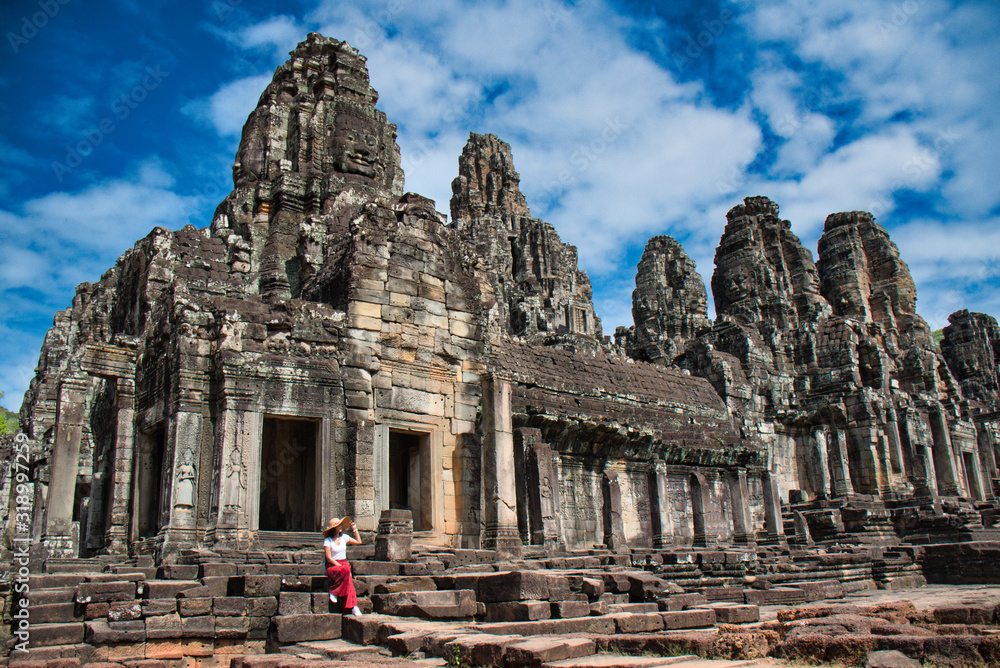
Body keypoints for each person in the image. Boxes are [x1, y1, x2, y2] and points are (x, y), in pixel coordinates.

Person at [323, 517, 362, 616]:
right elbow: (329, 558)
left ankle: (353, 606)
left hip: (344, 565)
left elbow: (359, 542)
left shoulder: (344, 537)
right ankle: (353, 606)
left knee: (349, 581)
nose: (341, 527)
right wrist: (340, 566)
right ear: (334, 528)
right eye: (339, 525)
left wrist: (355, 529)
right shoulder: (328, 541)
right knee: (346, 570)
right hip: (333, 566)